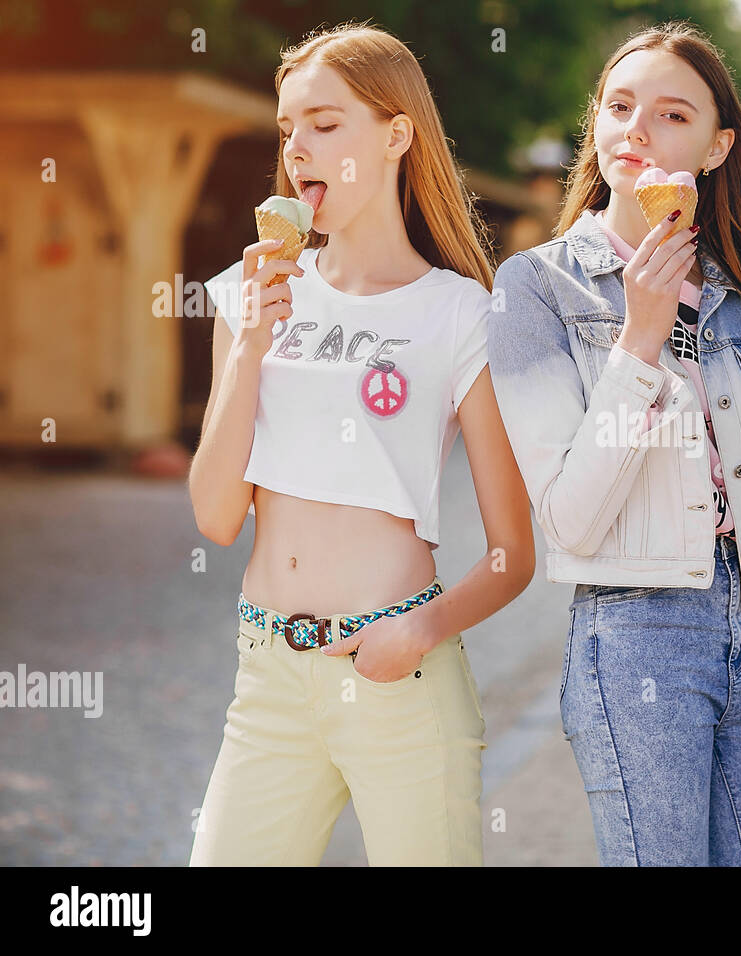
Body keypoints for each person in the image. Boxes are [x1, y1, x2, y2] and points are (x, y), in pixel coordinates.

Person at [487, 21, 741, 866]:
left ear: (718, 146)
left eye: (671, 114)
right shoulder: (533, 291)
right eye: (619, 107)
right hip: (636, 636)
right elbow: (572, 523)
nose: (637, 131)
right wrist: (639, 345)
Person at [188, 22, 533, 866]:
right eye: (287, 129)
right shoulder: (246, 296)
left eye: (325, 122)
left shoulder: (460, 314)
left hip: (400, 677)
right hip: (269, 675)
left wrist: (416, 633)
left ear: (397, 135)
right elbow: (215, 515)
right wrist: (248, 348)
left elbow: (512, 554)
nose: (298, 147)